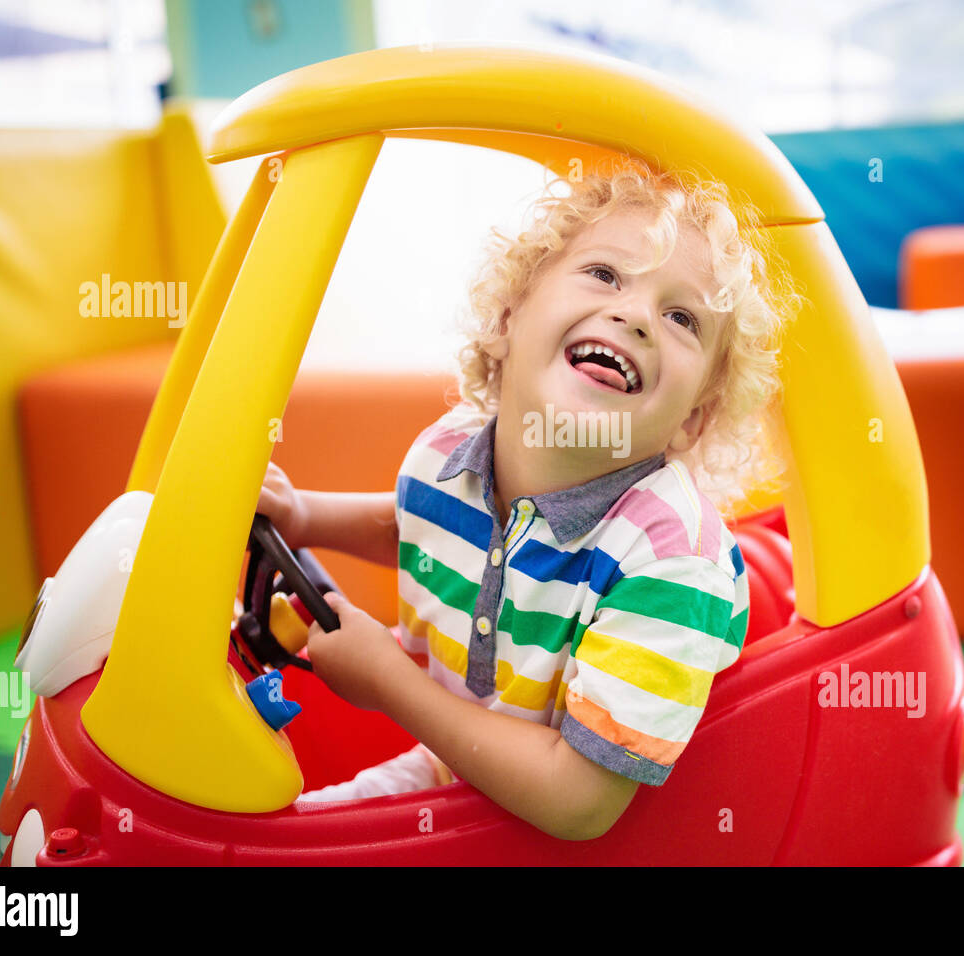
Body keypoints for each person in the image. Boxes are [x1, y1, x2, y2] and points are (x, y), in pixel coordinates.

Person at [258, 159, 793, 840]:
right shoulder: (448, 451)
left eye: (681, 316)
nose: (633, 315)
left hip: (591, 834)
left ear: (693, 420)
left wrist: (390, 682)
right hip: (455, 774)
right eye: (604, 274)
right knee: (290, 839)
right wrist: (304, 516)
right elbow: (420, 528)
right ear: (508, 319)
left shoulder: (670, 563)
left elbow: (578, 801)